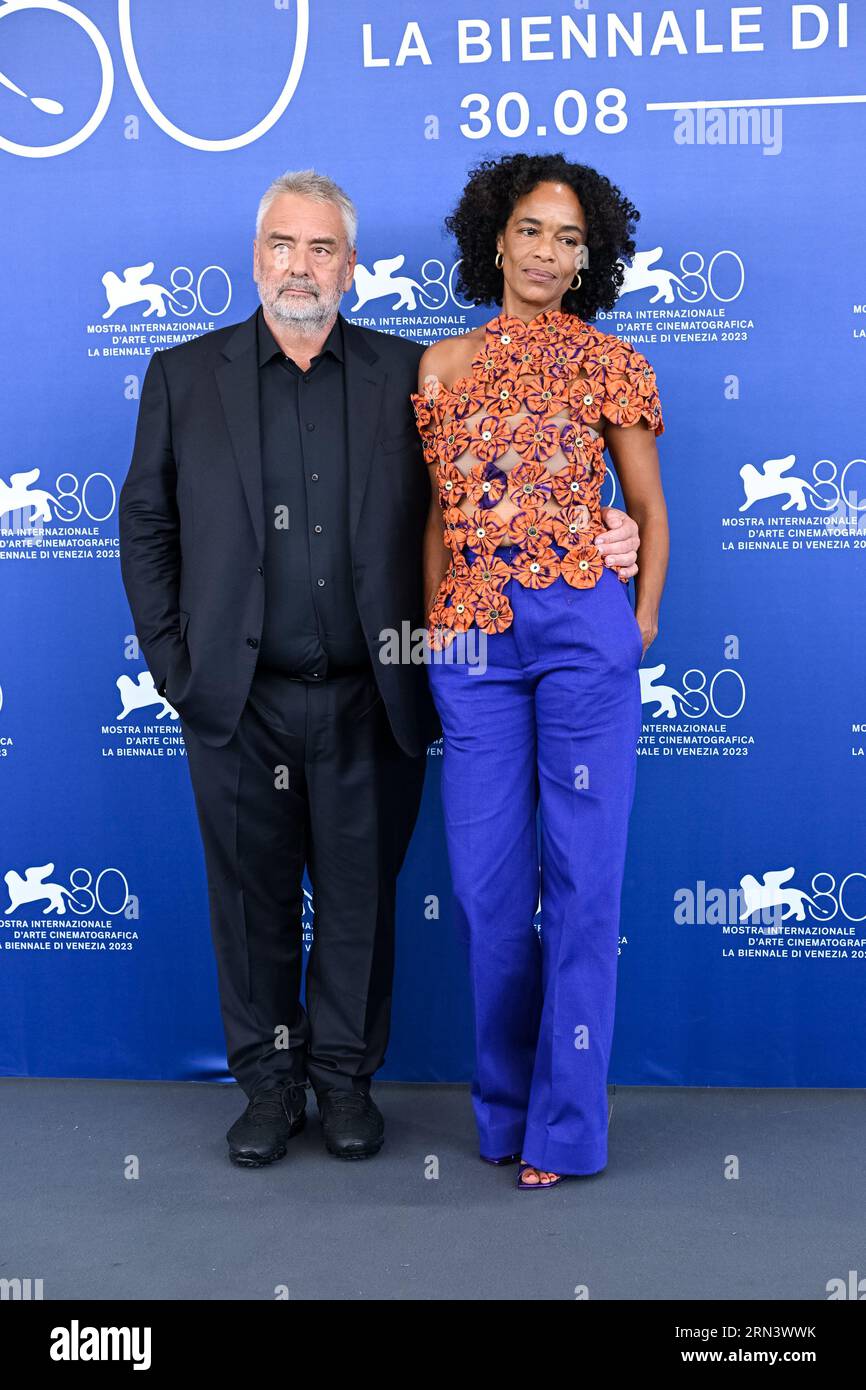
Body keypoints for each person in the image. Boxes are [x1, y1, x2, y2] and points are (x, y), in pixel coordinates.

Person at [119, 167, 643, 1169]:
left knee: (359, 899)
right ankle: (269, 1090)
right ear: (257, 255)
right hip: (234, 698)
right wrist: (175, 665)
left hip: (373, 692)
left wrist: (609, 528)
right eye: (283, 244)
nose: (300, 265)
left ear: (352, 267)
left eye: (322, 248)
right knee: (252, 904)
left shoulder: (417, 373)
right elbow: (144, 520)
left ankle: (345, 1084)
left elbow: (496, 494)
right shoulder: (183, 376)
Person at [411, 153, 669, 1190]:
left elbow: (647, 512)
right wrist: (434, 626)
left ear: (587, 256)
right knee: (482, 892)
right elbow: (438, 513)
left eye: (569, 238)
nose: (548, 252)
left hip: (582, 638)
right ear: (495, 236)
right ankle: (503, 1107)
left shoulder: (610, 361)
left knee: (581, 886)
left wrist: (637, 624)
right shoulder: (441, 367)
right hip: (471, 647)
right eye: (530, 229)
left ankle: (563, 1129)